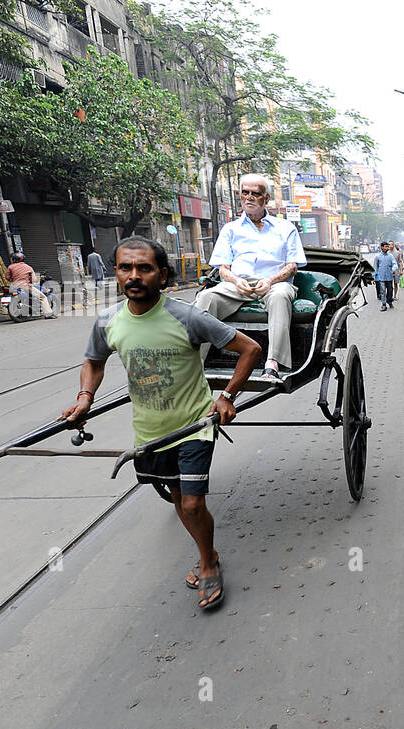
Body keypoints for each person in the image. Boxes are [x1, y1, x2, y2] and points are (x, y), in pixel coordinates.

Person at [61, 237, 261, 612]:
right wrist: (85, 397)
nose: (134, 276)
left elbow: (250, 349)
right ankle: (209, 550)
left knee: (190, 504)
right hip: (151, 432)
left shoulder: (187, 316)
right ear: (116, 273)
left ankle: (207, 562)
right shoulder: (108, 321)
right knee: (175, 498)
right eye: (125, 268)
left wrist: (228, 396)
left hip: (195, 425)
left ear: (162, 274)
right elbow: (94, 361)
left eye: (144, 268)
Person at [195, 173, 306, 380]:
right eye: (245, 192)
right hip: (238, 284)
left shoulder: (286, 228)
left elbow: (292, 266)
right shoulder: (230, 229)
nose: (249, 197)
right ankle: (193, 363)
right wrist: (237, 281)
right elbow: (223, 269)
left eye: (256, 193)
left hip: (275, 283)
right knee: (205, 298)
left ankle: (273, 362)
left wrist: (270, 281)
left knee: (280, 296)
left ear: (266, 198)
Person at [373, 241, 396, 311]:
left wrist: (394, 269)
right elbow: (375, 268)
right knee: (382, 291)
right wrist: (374, 277)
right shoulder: (377, 257)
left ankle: (390, 302)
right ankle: (383, 305)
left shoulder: (391, 256)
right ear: (382, 247)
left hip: (389, 277)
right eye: (386, 246)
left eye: (387, 246)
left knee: (390, 291)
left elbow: (394, 264)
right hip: (381, 278)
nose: (387, 248)